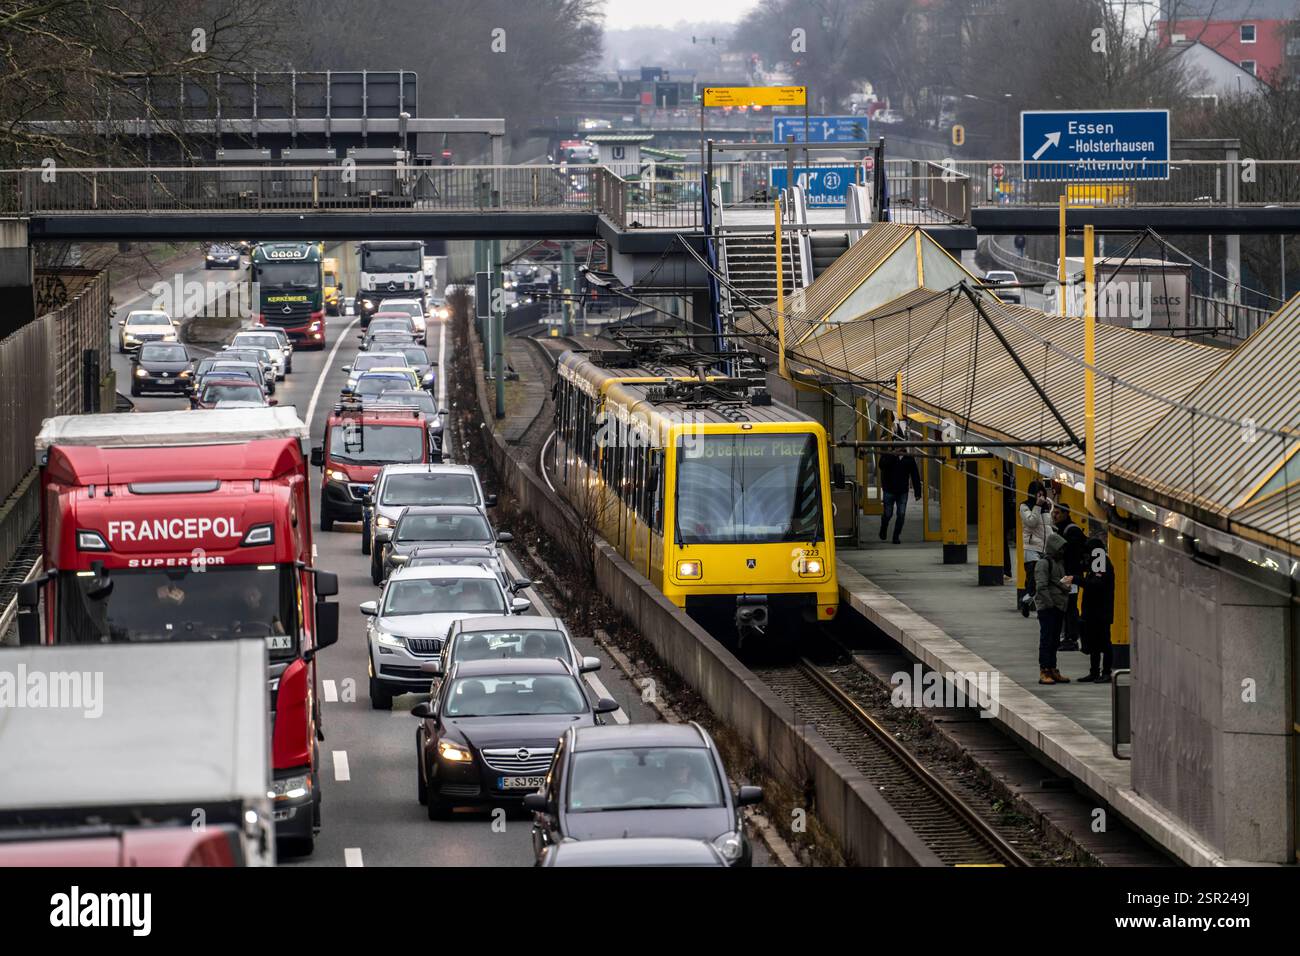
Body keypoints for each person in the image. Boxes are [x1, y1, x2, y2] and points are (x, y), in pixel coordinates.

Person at [1033, 530, 1072, 685]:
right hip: (1049, 608)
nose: (1062, 551)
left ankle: (1053, 668)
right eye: (1060, 548)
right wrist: (1050, 604)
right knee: (1047, 639)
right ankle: (1044, 670)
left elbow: (1061, 581)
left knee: (1055, 639)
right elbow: (1041, 587)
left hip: (1059, 607)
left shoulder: (1058, 563)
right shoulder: (1044, 564)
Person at [1078, 536, 1115, 682]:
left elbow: (1095, 585)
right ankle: (1094, 672)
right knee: (1094, 643)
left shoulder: (1102, 564)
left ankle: (1106, 672)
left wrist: (1076, 579)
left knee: (1104, 642)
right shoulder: (1097, 563)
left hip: (1101, 612)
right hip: (1093, 611)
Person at [878, 433, 922, 544]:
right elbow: (881, 465)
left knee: (901, 514)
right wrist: (893, 455)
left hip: (902, 491)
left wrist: (918, 492)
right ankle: (884, 528)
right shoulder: (888, 455)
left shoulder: (909, 459)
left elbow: (915, 475)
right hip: (889, 489)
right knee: (888, 514)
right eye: (896, 444)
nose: (899, 446)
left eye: (901, 444)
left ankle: (896, 536)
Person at [1018, 481, 1053, 617]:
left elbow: (1048, 525)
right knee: (1033, 577)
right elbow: (1031, 522)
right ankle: (1026, 601)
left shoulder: (1046, 507)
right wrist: (1037, 506)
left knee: (1044, 581)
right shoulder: (1024, 506)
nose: (1041, 497)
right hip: (1032, 547)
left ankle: (1037, 607)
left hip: (1046, 548)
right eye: (1038, 494)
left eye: (1043, 494)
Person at [1053, 504, 1085, 651]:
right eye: (1054, 513)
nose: (1055, 516)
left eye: (1058, 513)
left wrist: (1068, 576)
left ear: (1066, 514)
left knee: (1070, 606)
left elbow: (1071, 556)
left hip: (1071, 576)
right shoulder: (1061, 529)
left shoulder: (1072, 531)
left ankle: (1071, 637)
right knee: (1066, 606)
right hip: (1066, 576)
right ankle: (1068, 636)